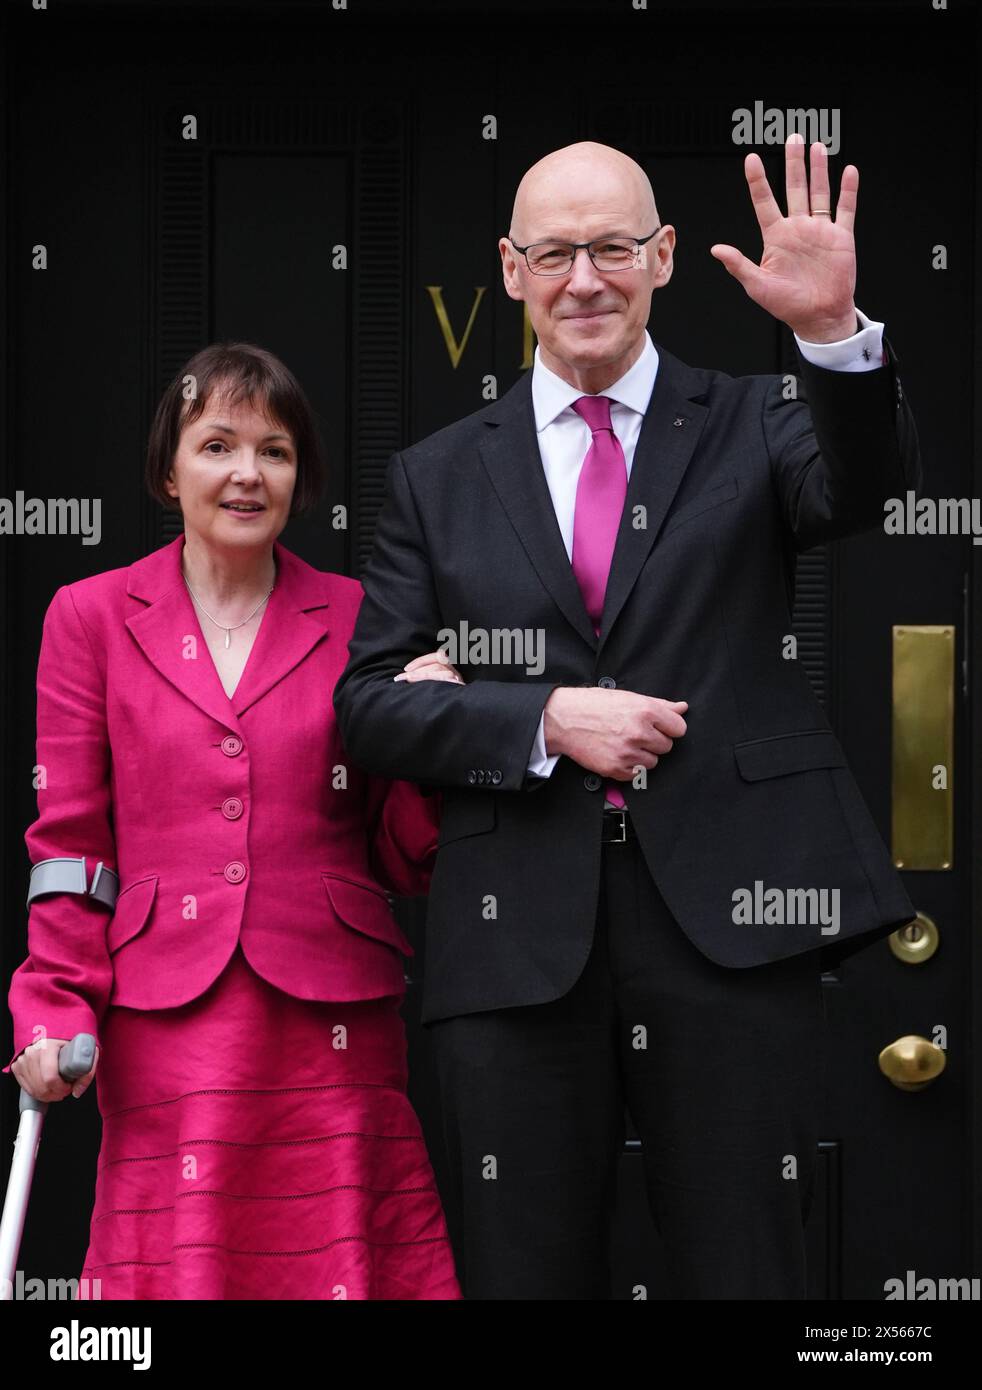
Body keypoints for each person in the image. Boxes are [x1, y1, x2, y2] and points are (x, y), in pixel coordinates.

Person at [333, 136, 923, 1299]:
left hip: (728, 924)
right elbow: (368, 705)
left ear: (660, 258)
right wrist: (545, 718)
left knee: (747, 1267)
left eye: (612, 247)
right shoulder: (436, 475)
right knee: (520, 1273)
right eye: (553, 252)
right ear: (509, 269)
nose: (584, 279)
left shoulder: (754, 418)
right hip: (512, 941)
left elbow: (869, 487)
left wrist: (829, 335)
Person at [4, 343, 462, 1300]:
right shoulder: (87, 617)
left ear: (302, 478)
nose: (248, 474)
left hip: (333, 1021)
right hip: (167, 1022)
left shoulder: (363, 618)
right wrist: (52, 1003)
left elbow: (405, 855)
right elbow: (72, 844)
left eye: (276, 450)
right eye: (217, 445)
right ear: (168, 470)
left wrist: (434, 740)